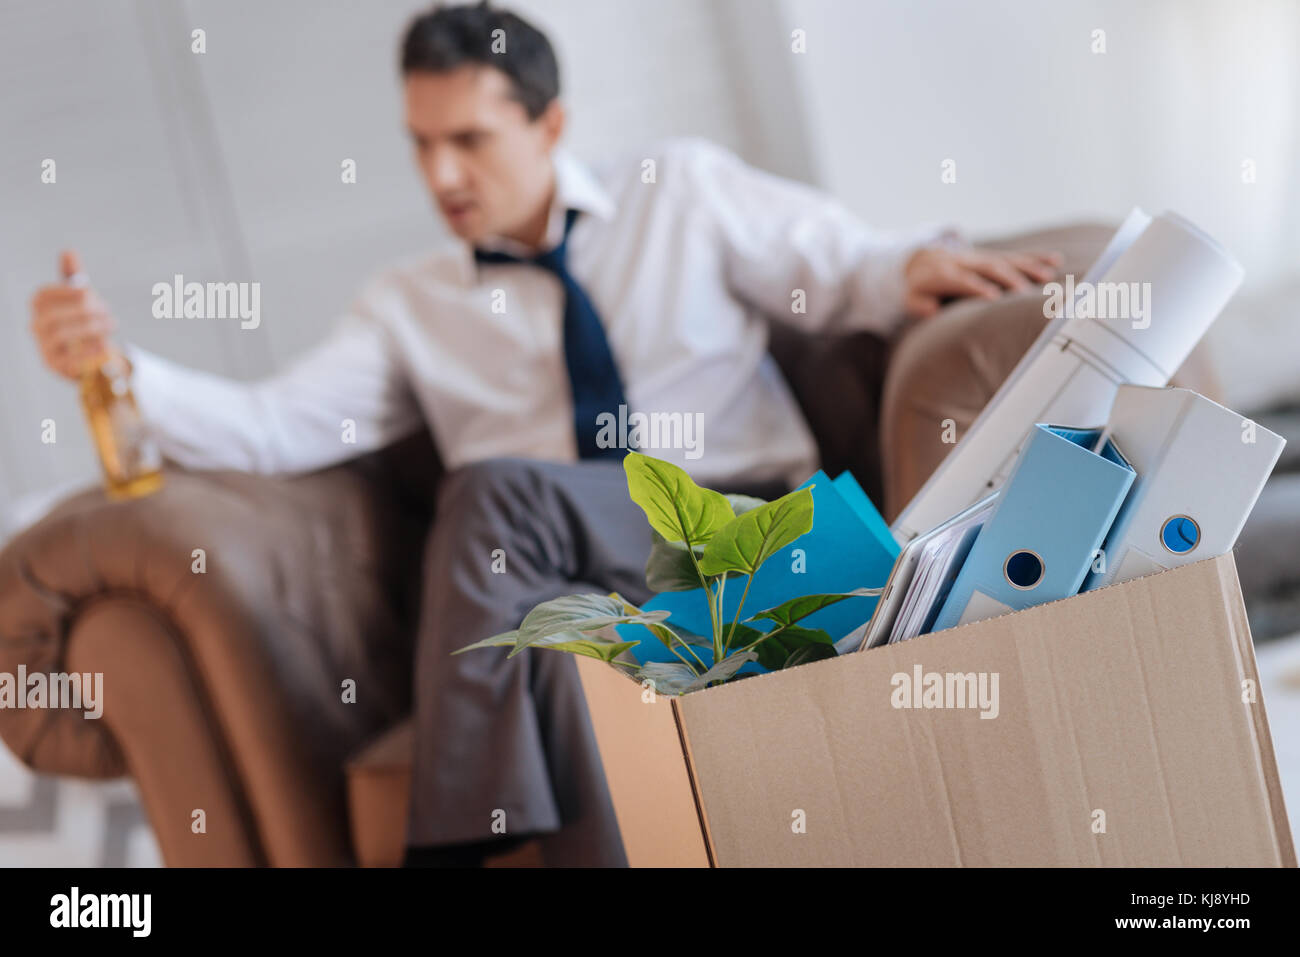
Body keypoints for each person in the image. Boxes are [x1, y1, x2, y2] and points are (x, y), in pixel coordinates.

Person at [28, 2, 1060, 866]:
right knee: (555, 651)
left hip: (758, 534)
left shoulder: (678, 192)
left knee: (492, 493)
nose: (441, 176)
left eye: (468, 140)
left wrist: (913, 267)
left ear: (550, 124)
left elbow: (842, 263)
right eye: (422, 145)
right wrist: (114, 371)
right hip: (592, 581)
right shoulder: (409, 302)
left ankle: (447, 846)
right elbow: (272, 428)